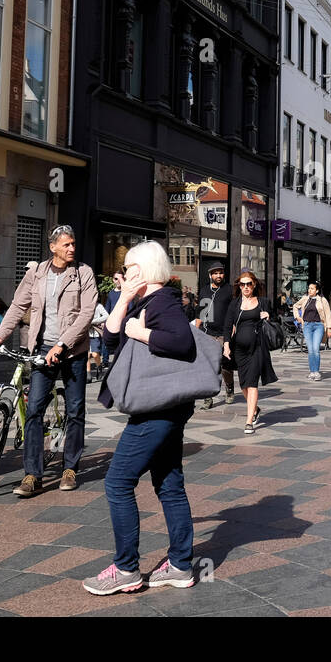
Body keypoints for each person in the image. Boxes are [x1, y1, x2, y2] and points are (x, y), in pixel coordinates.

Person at [84, 242, 197, 595]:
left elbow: (182, 343)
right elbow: (110, 335)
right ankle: (179, 565)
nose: (124, 271)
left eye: (130, 266)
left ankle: (126, 568)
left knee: (117, 483)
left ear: (145, 268)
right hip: (163, 408)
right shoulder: (143, 300)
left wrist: (140, 332)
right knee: (168, 484)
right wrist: (123, 300)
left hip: (157, 411)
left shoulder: (163, 300)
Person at [0, 225, 98, 497]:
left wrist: (62, 344)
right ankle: (32, 474)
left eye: (73, 244)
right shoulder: (36, 273)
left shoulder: (83, 273)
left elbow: (87, 313)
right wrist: (0, 334)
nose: (72, 248)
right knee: (33, 409)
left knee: (75, 409)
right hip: (41, 348)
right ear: (53, 247)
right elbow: (18, 306)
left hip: (72, 351)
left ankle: (70, 467)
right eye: (67, 244)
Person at [223, 271, 277, 435]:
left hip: (257, 348)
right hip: (239, 350)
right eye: (242, 284)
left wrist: (268, 316)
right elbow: (227, 325)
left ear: (254, 285)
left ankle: (249, 422)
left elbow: (274, 321)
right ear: (239, 286)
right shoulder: (234, 303)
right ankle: (255, 408)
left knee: (252, 383)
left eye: (249, 284)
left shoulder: (263, 302)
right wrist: (226, 345)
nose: (246, 287)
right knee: (244, 384)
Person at [199, 262, 236, 409]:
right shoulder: (204, 291)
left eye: (220, 272)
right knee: (208, 366)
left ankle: (229, 388)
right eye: (215, 273)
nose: (218, 275)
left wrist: (233, 327)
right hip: (207, 333)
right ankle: (208, 397)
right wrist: (197, 331)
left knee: (225, 366)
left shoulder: (229, 290)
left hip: (224, 333)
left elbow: (234, 310)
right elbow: (201, 313)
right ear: (210, 275)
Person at [293, 282, 331, 381]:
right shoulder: (305, 299)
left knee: (316, 349)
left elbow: (328, 314)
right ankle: (312, 372)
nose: (309, 290)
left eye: (312, 289)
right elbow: (295, 306)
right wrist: (297, 317)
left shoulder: (322, 300)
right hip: (307, 326)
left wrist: (329, 328)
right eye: (309, 288)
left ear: (317, 291)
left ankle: (317, 372)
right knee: (310, 350)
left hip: (318, 326)